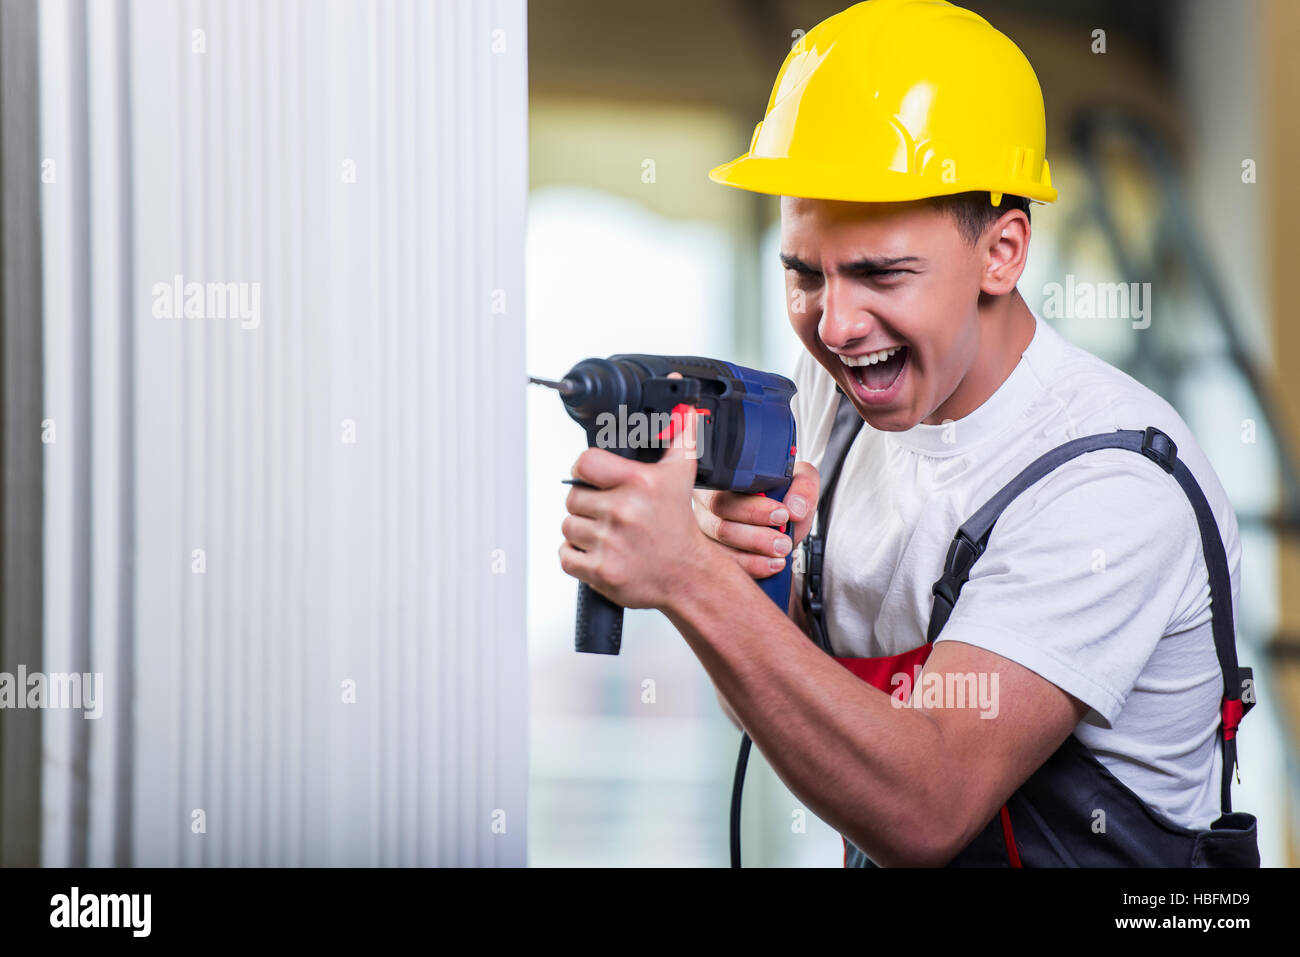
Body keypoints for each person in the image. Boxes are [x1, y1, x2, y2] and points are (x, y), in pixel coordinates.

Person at [556, 0, 1257, 866]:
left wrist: (694, 581)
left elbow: (926, 809)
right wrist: (746, 575)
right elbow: (771, 705)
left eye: (881, 272)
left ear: (1002, 252)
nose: (838, 324)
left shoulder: (1109, 482)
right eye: (804, 274)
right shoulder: (846, 393)